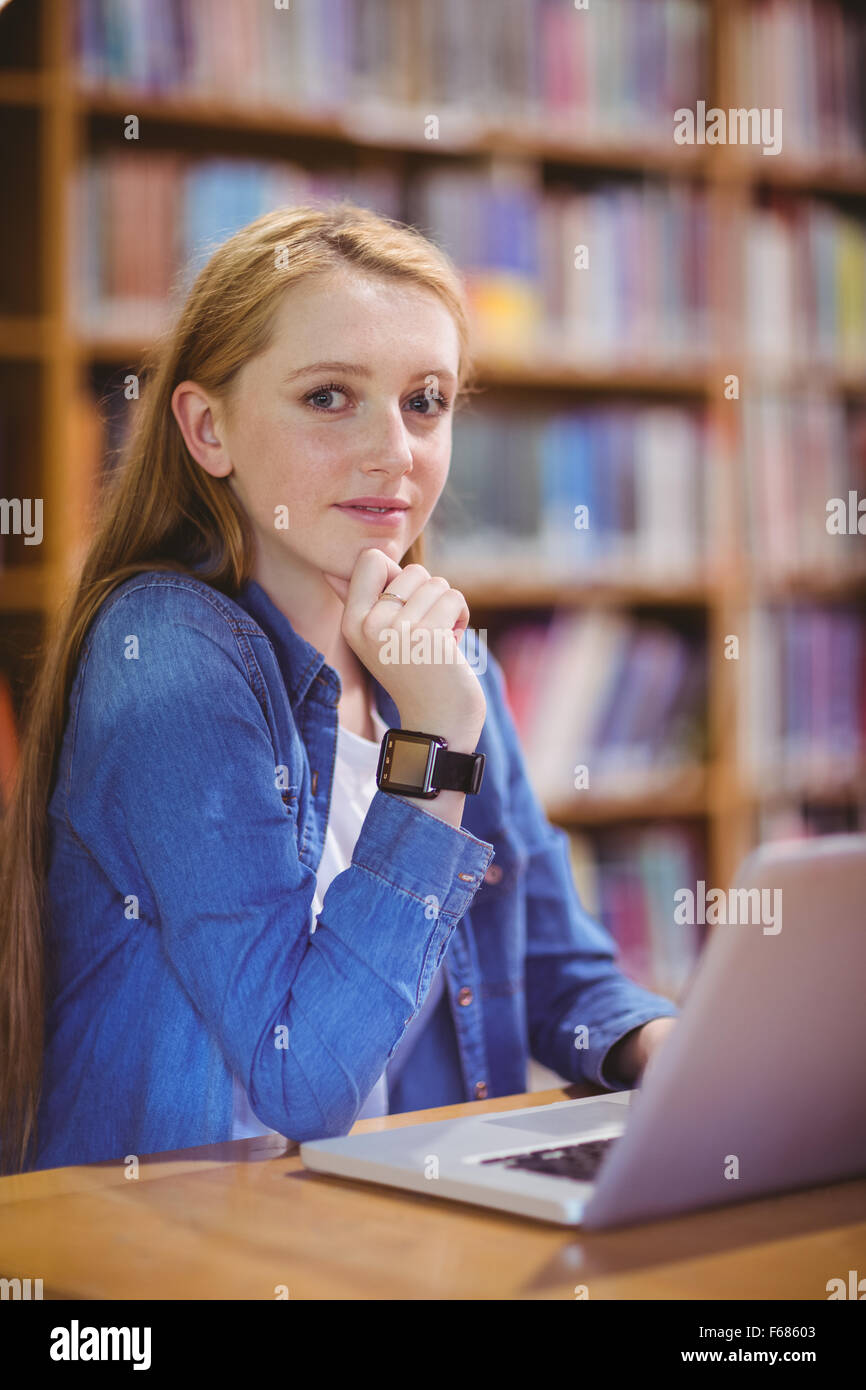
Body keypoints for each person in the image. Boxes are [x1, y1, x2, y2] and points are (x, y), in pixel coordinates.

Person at [0, 203, 677, 1174]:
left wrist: (668, 1049)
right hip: (181, 1248)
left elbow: (547, 960)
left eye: (424, 401)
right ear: (207, 427)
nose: (393, 452)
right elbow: (301, 1082)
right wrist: (436, 744)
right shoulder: (165, 650)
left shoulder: (443, 661)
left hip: (385, 1220)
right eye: (329, 397)